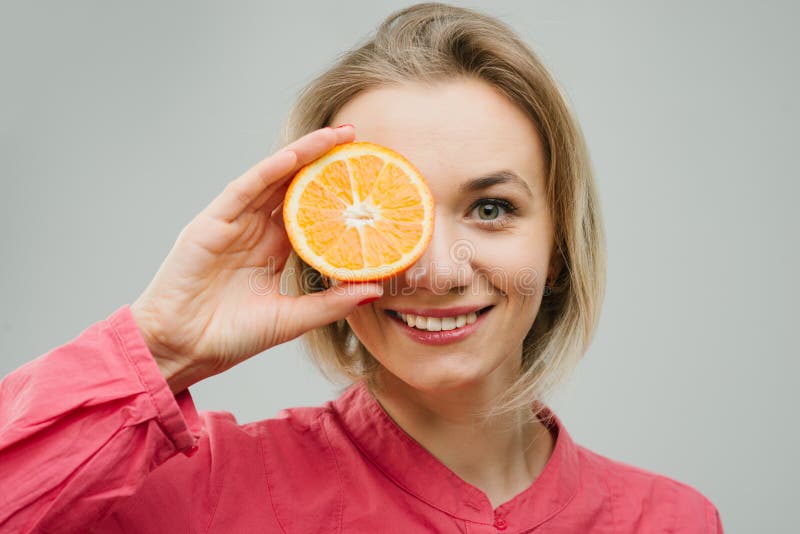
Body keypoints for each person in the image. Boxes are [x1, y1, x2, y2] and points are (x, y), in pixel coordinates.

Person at [0, 3, 723, 533]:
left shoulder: (671, 521)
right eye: (380, 214)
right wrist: (161, 348)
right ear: (322, 250)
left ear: (559, 245)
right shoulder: (194, 495)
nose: (438, 270)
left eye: (493, 208)